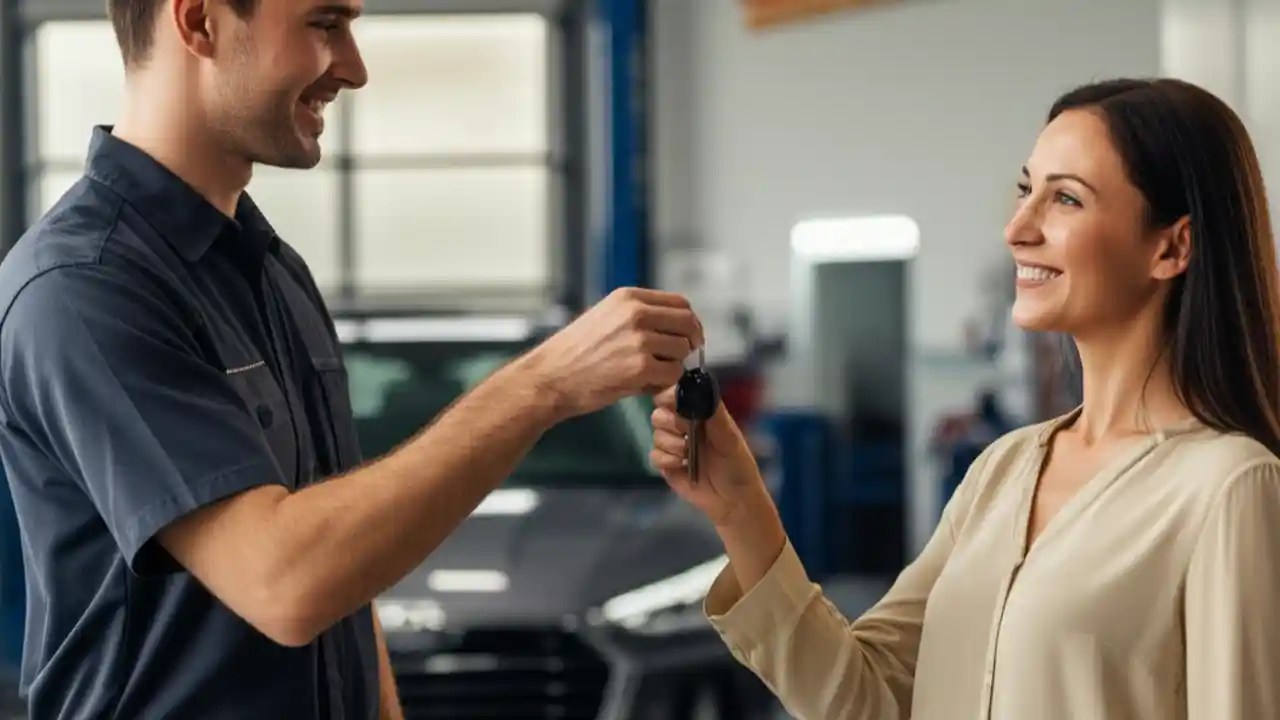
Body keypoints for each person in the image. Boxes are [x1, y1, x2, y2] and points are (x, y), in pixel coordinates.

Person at [0, 1, 703, 718]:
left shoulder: (273, 273)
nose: (355, 69)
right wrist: (543, 385)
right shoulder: (85, 287)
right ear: (200, 21)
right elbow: (284, 582)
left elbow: (344, 575)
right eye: (324, 24)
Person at [650, 77, 1280, 720]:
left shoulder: (1227, 487)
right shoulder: (1002, 471)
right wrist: (742, 508)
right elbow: (866, 697)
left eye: (1066, 198)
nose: (1018, 228)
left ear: (1171, 247)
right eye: (1026, 190)